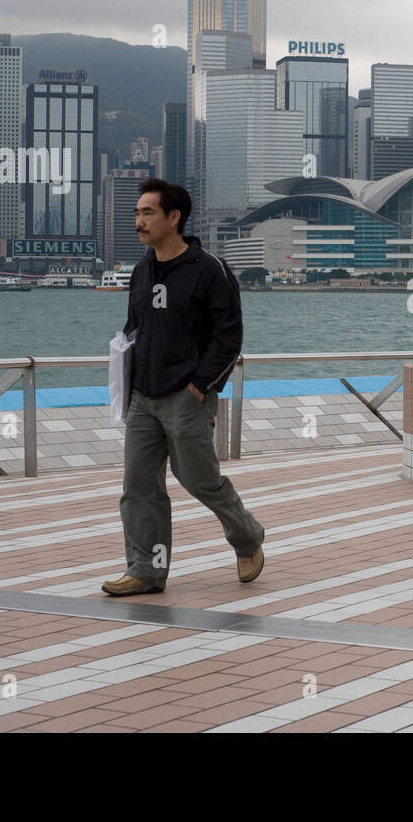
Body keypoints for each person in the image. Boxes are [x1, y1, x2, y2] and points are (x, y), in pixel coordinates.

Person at [102, 179, 265, 596]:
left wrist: (199, 386)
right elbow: (135, 327)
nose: (138, 221)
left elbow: (228, 337)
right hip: (143, 398)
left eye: (147, 213)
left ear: (174, 218)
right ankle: (147, 570)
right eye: (137, 213)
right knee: (138, 487)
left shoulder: (208, 269)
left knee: (199, 480)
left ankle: (247, 537)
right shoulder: (141, 270)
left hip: (186, 396)